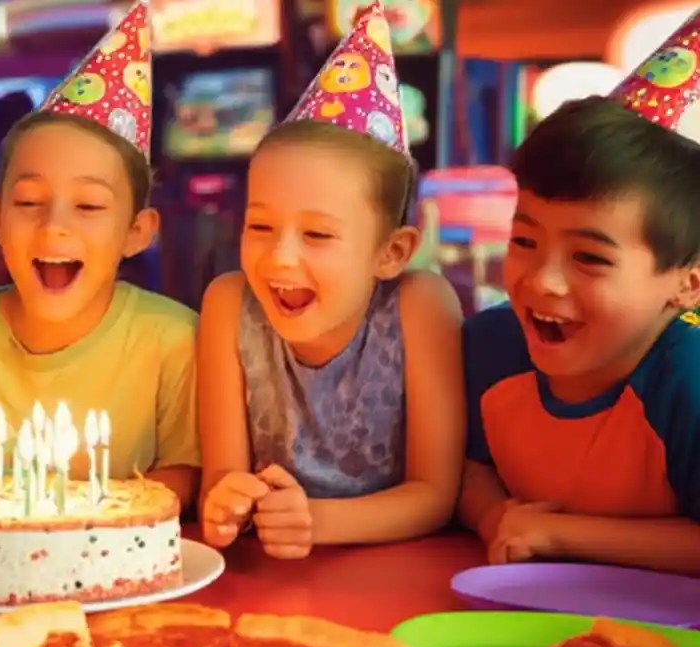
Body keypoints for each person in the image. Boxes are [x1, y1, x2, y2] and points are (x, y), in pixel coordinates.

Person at [197, 1, 465, 558]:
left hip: (400, 570)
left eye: (317, 236)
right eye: (261, 226)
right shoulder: (228, 305)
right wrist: (226, 507)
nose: (280, 259)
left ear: (392, 252)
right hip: (270, 577)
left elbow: (436, 493)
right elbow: (222, 479)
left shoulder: (420, 306)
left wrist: (313, 521)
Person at [0, 1, 201, 510]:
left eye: (90, 205)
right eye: (29, 202)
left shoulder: (172, 339)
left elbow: (182, 481)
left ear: (137, 231)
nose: (54, 225)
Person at [458, 15, 700, 575]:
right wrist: (495, 516)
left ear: (688, 283)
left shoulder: (686, 379)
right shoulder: (489, 346)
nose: (544, 280)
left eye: (590, 257)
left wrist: (559, 534)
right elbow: (470, 470)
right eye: (524, 240)